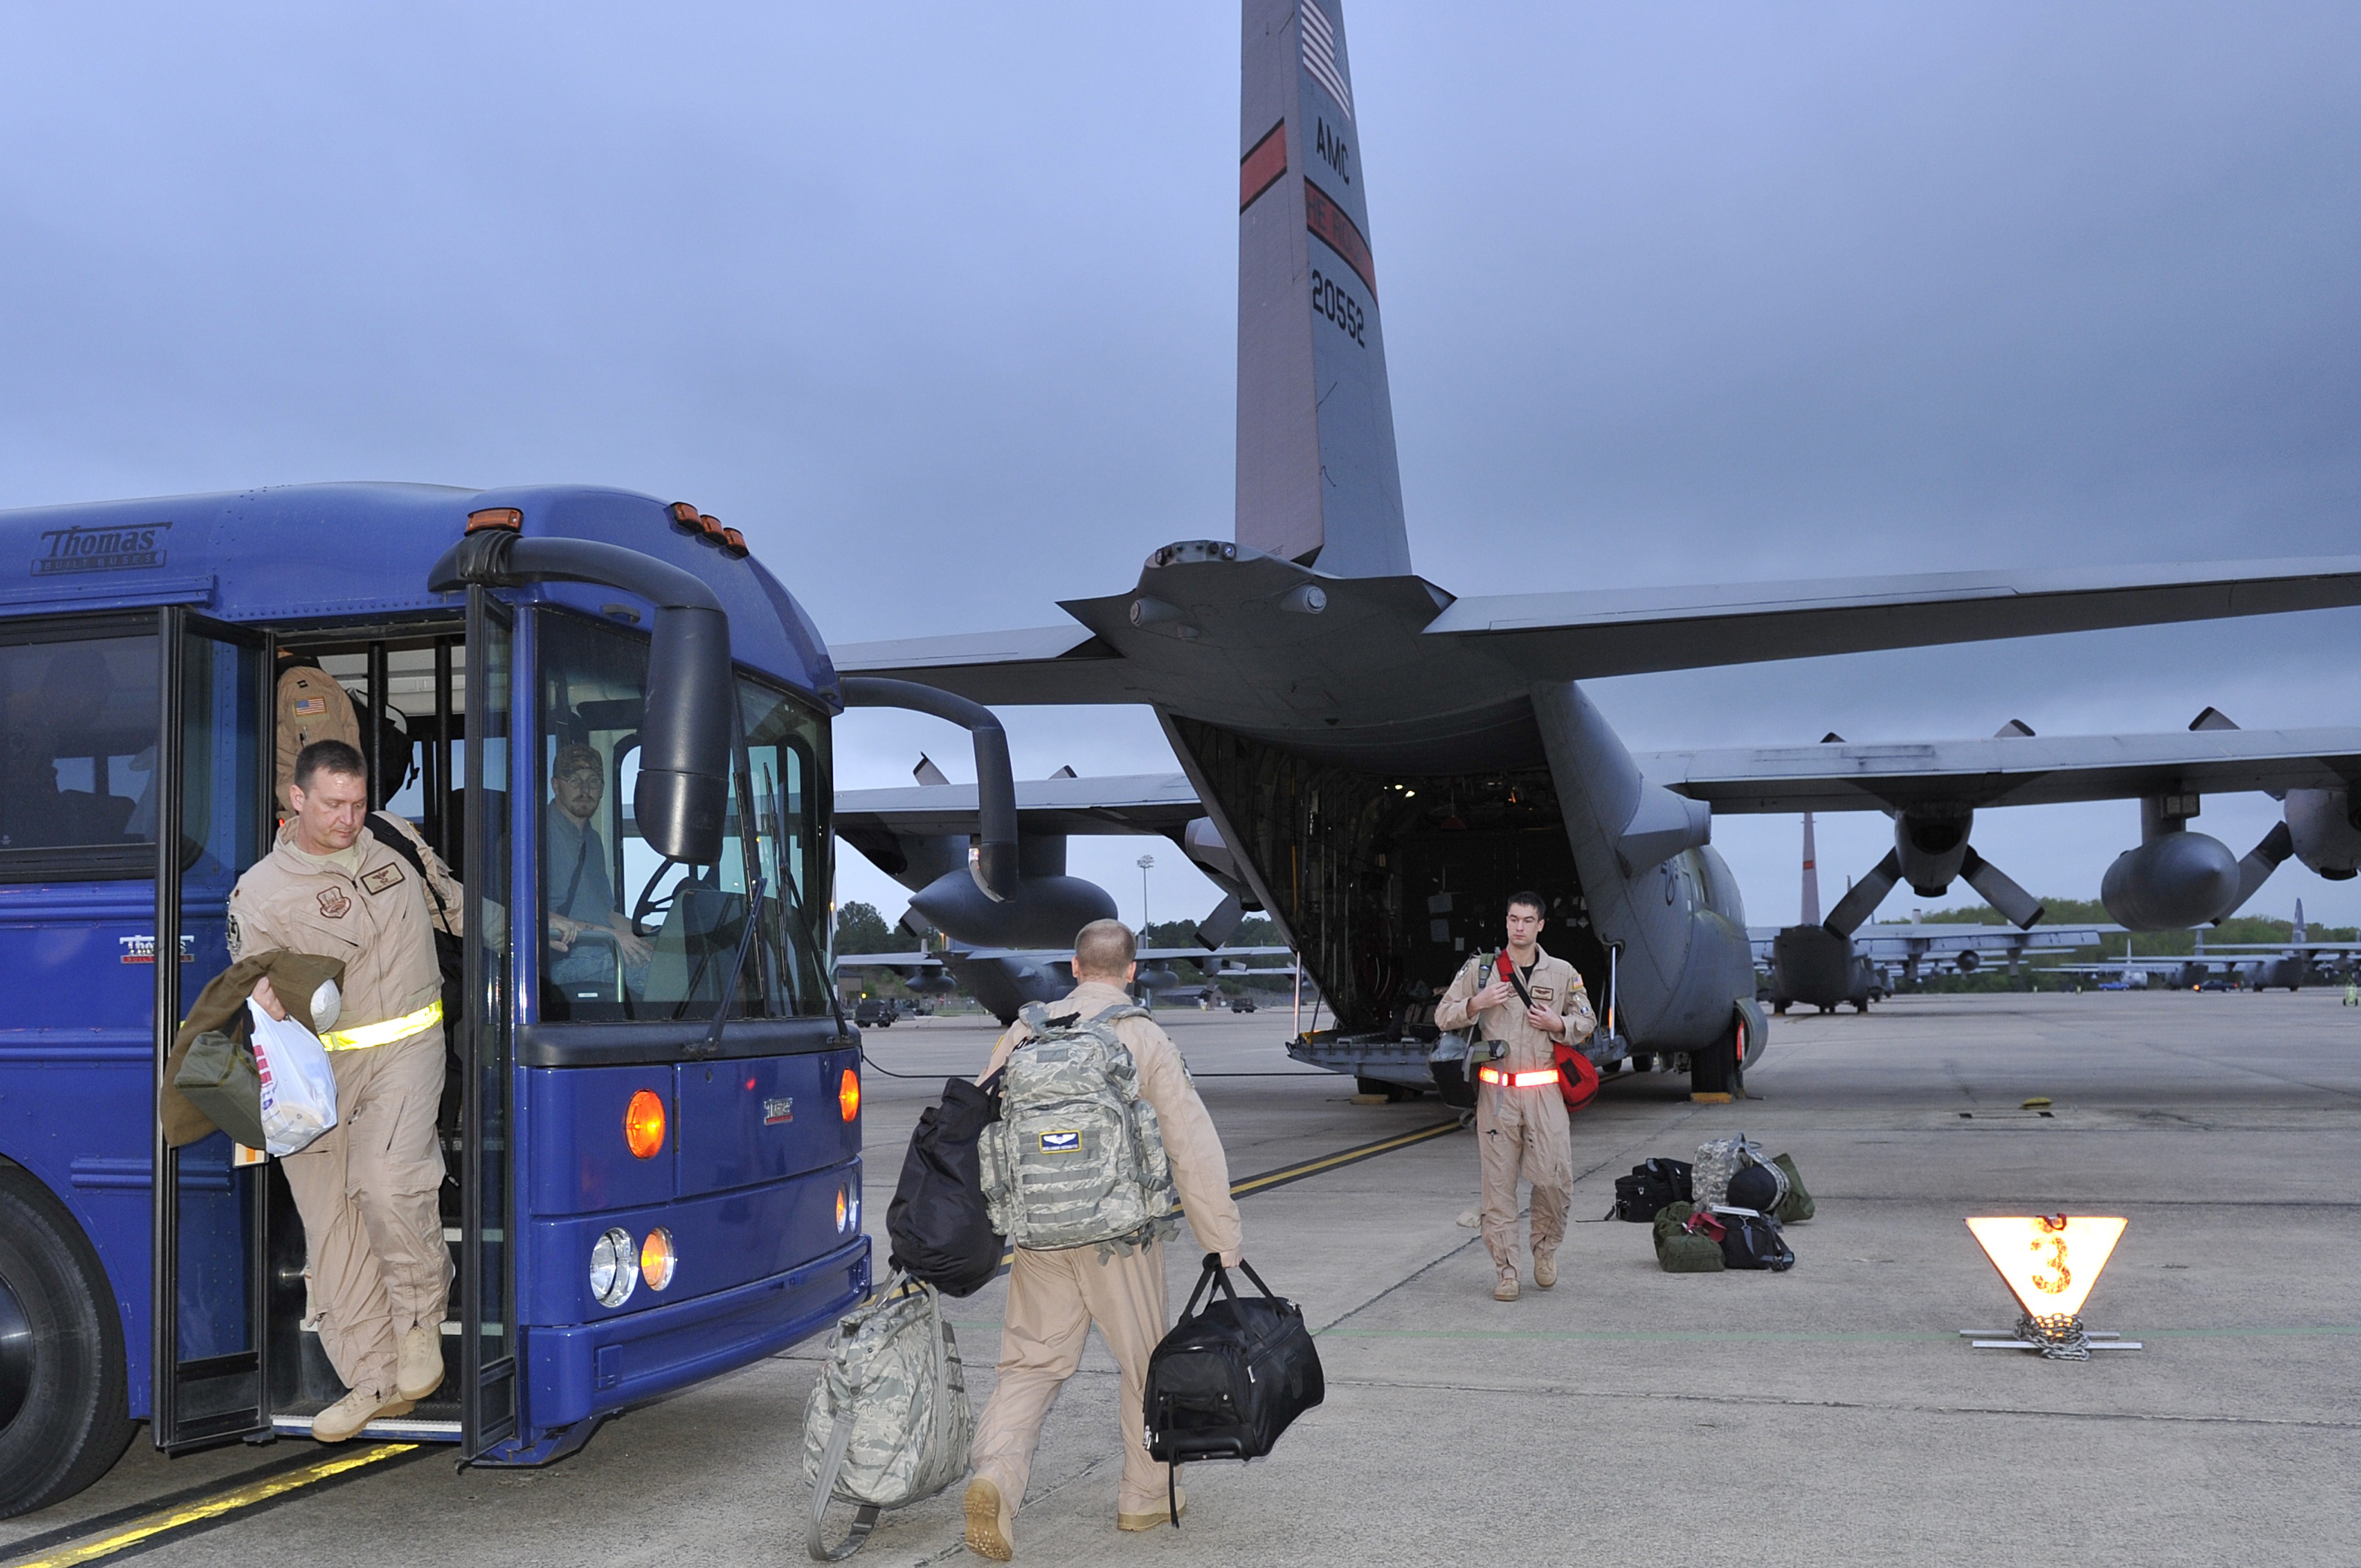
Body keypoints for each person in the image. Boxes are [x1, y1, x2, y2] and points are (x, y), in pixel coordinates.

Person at [963, 919, 1242, 1561]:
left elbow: (979, 1125)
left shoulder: (1025, 1030)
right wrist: (1221, 1238)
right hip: (1122, 1240)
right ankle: (1143, 1495)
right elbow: (1191, 1145)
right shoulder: (1142, 1035)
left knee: (1030, 1366)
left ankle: (997, 1480)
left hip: (1041, 1239)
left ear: (1075, 967)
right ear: (1132, 970)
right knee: (1145, 1364)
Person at [229, 739, 451, 1441]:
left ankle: (419, 1321)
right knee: (334, 1227)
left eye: (357, 803)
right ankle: (373, 1378)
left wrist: (557, 935)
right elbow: (254, 987)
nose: (349, 817)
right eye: (333, 804)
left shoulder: (393, 841)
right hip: (320, 1075)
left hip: (409, 1046)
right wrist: (272, 994)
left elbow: (455, 903)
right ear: (296, 799)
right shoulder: (259, 891)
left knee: (389, 1182)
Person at [1433, 891, 1596, 1303]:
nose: (1519, 926)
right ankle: (1507, 1270)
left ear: (1541, 925)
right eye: (1512, 919)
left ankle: (1545, 1249)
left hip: (1544, 1091)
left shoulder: (1562, 973)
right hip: (1498, 1094)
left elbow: (1588, 1019)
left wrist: (1560, 1022)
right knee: (1498, 1189)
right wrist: (1477, 1002)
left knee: (1555, 1180)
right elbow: (1443, 1014)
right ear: (1506, 922)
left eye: (1527, 920)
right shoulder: (1481, 969)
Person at [543, 742, 652, 996]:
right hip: (563, 962)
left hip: (600, 951)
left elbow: (605, 913)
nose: (584, 790)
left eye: (593, 781)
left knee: (684, 962)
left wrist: (658, 934)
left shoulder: (592, 841)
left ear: (602, 789)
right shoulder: (536, 835)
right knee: (671, 978)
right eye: (574, 780)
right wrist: (612, 937)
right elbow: (524, 915)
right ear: (556, 785)